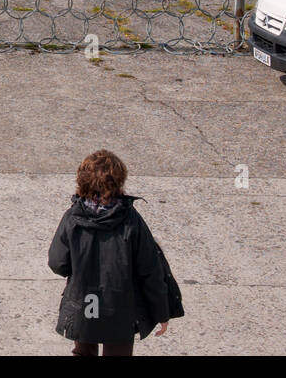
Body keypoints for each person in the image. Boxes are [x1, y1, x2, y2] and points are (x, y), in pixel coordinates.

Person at [48, 149, 184, 356]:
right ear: (119, 182)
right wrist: (162, 312)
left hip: (84, 302)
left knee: (84, 351)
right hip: (120, 308)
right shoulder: (131, 220)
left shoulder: (73, 218)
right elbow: (150, 271)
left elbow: (57, 263)